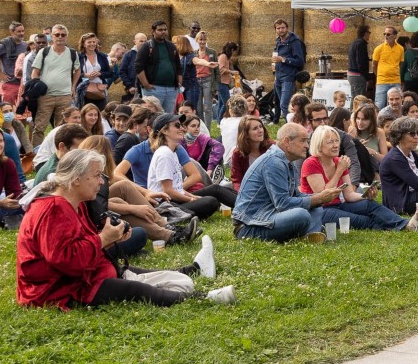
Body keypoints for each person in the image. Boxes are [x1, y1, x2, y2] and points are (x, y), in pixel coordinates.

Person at [17, 149, 235, 310]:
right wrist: (103, 239)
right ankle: (204, 297)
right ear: (75, 179)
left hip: (77, 276)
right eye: (96, 175)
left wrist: (111, 239)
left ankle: (194, 269)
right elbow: (66, 260)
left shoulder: (74, 203)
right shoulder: (53, 209)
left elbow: (80, 246)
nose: (101, 181)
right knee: (130, 288)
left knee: (127, 273)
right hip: (55, 290)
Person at [231, 123, 345, 243]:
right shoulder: (273, 162)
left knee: (317, 208)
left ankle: (308, 235)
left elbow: (296, 195)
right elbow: (283, 203)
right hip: (250, 226)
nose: (307, 146)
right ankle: (306, 233)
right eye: (303, 141)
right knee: (302, 215)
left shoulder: (284, 161)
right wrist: (318, 198)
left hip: (267, 216)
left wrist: (319, 198)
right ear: (287, 141)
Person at [301, 126, 409, 231]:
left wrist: (365, 196)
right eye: (330, 142)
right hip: (320, 211)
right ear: (319, 146)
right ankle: (399, 226)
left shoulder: (339, 162)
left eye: (337, 141)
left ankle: (406, 224)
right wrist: (339, 171)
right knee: (363, 220)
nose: (335, 145)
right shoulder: (311, 163)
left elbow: (349, 195)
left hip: (338, 205)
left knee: (370, 205)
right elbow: (323, 196)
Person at [141, 114, 238, 218]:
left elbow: (178, 188)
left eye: (181, 125)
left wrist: (193, 196)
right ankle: (244, 206)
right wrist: (192, 199)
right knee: (210, 201)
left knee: (215, 189)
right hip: (167, 205)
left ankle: (245, 205)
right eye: (177, 125)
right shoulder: (164, 153)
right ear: (165, 131)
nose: (182, 128)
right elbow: (168, 191)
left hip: (176, 199)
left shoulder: (172, 151)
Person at [29, 24, 81, 146]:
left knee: (61, 128)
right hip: (46, 96)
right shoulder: (44, 51)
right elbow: (35, 72)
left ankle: (57, 152)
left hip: (64, 96)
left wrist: (73, 86)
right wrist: (37, 87)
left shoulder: (73, 53)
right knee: (40, 127)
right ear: (52, 36)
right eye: (57, 34)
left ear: (67, 37)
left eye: (63, 35)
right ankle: (34, 156)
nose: (60, 37)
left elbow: (78, 70)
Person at [135, 20, 181, 114]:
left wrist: (179, 81)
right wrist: (146, 84)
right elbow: (138, 66)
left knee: (168, 117)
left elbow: (178, 65)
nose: (163, 32)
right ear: (153, 31)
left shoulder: (172, 46)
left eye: (165, 29)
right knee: (152, 116)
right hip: (153, 88)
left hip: (171, 89)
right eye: (160, 30)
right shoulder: (147, 46)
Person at [269, 18, 305, 124]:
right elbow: (277, 57)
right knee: (282, 103)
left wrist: (283, 60)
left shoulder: (294, 41)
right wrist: (274, 65)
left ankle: (293, 125)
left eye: (283, 28)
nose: (281, 30)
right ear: (275, 30)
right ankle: (290, 124)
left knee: (284, 104)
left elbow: (300, 61)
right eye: (278, 28)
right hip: (278, 75)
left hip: (288, 76)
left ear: (287, 28)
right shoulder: (278, 41)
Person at [0, 21, 28, 106]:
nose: (21, 33)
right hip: (10, 84)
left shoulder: (25, 45)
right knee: (8, 110)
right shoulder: (4, 45)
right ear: (12, 32)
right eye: (19, 31)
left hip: (22, 84)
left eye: (23, 31)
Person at [229, 116, 273, 192]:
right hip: (247, 192)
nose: (260, 130)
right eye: (255, 128)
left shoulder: (271, 148)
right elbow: (236, 180)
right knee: (218, 189)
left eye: (260, 127)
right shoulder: (238, 153)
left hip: (269, 190)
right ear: (246, 134)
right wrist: (242, 193)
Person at [76, 32, 113, 111]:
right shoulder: (79, 57)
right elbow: (73, 73)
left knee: (101, 112)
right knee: (84, 112)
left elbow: (109, 73)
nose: (92, 44)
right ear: (83, 44)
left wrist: (100, 73)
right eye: (89, 42)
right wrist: (85, 75)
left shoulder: (102, 56)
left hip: (99, 89)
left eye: (94, 42)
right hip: (84, 90)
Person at [371, 26, 404, 107]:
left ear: (395, 36)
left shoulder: (400, 48)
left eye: (388, 34)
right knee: (379, 104)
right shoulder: (379, 48)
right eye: (384, 34)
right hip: (382, 80)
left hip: (395, 80)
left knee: (397, 104)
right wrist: (379, 75)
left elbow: (400, 63)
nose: (386, 36)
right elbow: (374, 64)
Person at [193, 30, 217, 126]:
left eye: (204, 39)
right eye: (200, 39)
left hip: (208, 80)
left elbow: (217, 70)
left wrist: (215, 86)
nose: (202, 42)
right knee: (199, 109)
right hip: (197, 81)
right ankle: (201, 128)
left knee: (208, 108)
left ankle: (207, 130)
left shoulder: (212, 52)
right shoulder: (193, 53)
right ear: (197, 40)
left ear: (207, 40)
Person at [118, 32, 146, 101]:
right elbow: (122, 71)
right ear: (135, 42)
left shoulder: (150, 54)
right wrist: (129, 86)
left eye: (145, 41)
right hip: (133, 89)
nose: (144, 43)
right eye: (141, 41)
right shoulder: (128, 55)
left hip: (147, 89)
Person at [174, 35, 199, 113]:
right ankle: (183, 124)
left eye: (176, 43)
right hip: (180, 88)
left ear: (182, 44)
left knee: (190, 110)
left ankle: (193, 124)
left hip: (190, 87)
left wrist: (207, 64)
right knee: (180, 110)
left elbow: (197, 60)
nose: (173, 45)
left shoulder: (190, 56)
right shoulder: (175, 57)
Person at [347, 25, 371, 101]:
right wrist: (366, 76)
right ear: (365, 33)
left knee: (354, 99)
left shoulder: (353, 43)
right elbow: (360, 62)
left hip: (351, 74)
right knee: (360, 100)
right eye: (369, 32)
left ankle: (352, 112)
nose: (369, 35)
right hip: (358, 75)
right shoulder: (361, 44)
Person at [215, 41, 239, 117]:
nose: (233, 53)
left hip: (223, 82)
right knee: (227, 103)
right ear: (231, 50)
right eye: (233, 51)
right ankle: (220, 120)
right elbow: (221, 69)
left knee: (221, 104)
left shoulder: (225, 57)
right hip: (221, 83)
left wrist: (231, 75)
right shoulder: (223, 56)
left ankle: (219, 121)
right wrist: (232, 72)